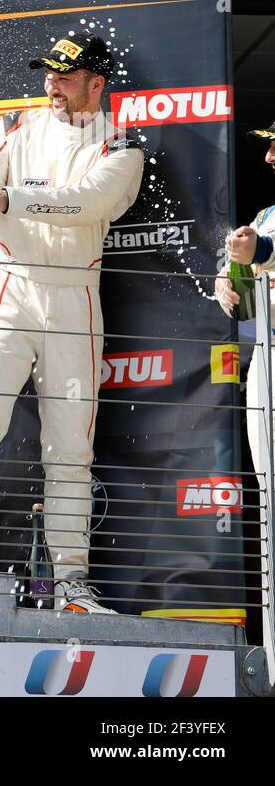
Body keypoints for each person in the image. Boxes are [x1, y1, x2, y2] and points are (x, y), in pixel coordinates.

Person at [0, 31, 145, 614]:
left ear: (97, 83)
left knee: (70, 449)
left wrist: (7, 199)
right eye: (48, 72)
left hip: (74, 301)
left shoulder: (122, 147)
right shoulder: (19, 121)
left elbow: (83, 203)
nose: (52, 84)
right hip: (9, 288)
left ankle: (70, 583)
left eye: (65, 77)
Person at [214, 119, 275, 581]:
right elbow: (250, 252)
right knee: (267, 483)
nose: (269, 157)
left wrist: (258, 251)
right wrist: (224, 278)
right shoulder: (266, 214)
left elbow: (265, 249)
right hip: (266, 353)